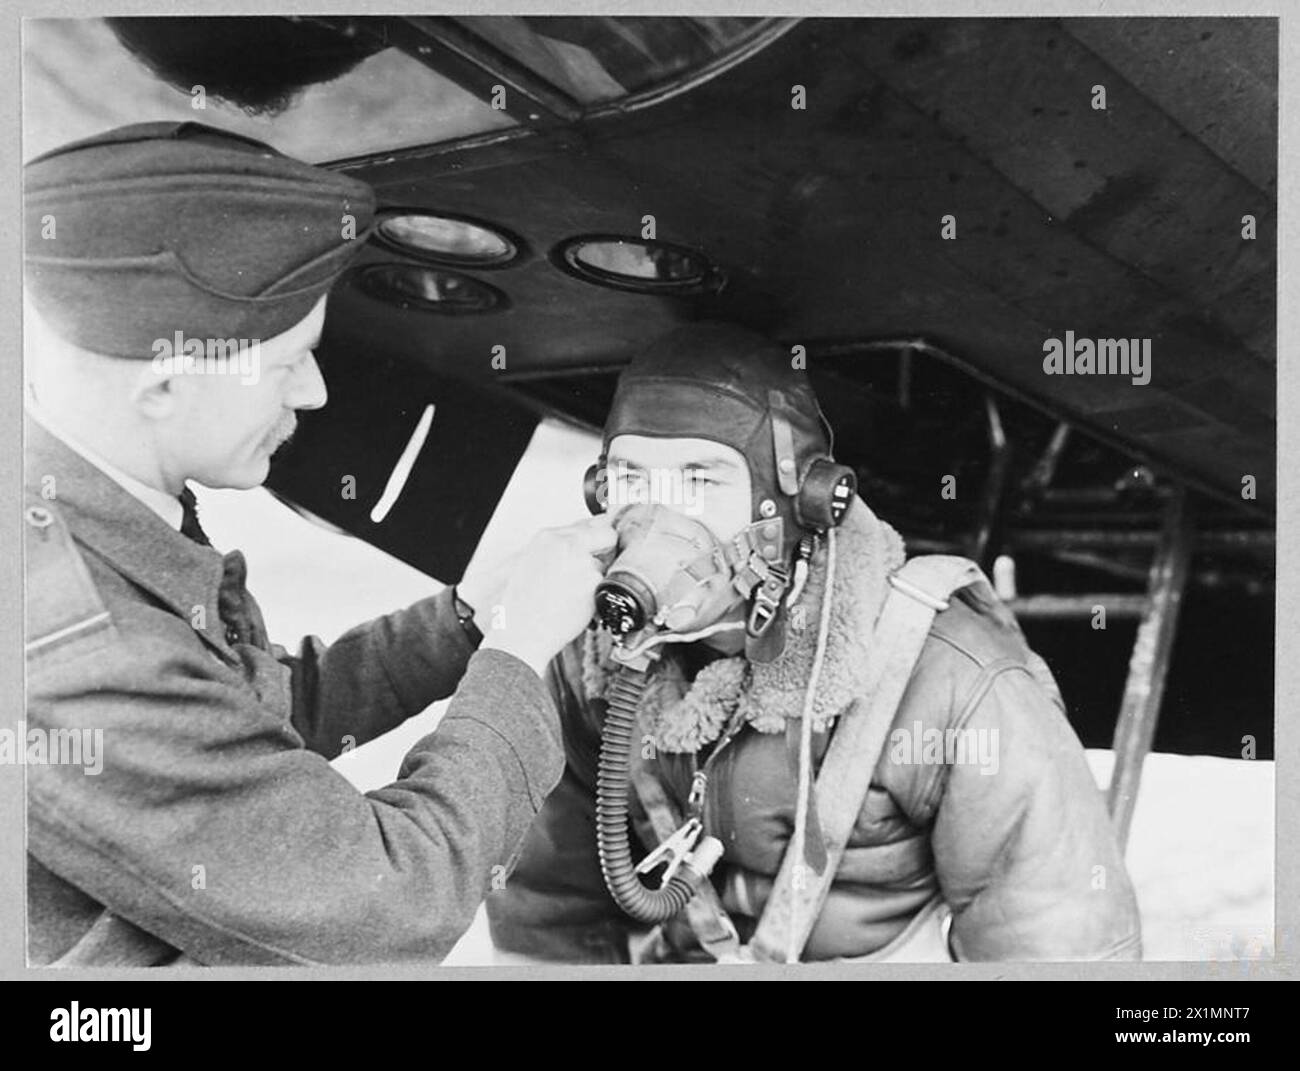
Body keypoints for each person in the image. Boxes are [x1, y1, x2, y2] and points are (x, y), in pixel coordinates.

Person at [22, 121, 614, 966]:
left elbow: (229, 724)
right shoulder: (72, 642)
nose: (317, 389)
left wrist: (469, 620)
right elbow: (392, 903)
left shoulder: (87, 514)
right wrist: (521, 655)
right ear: (164, 383)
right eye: (288, 360)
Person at [485, 321, 1142, 963]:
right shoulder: (589, 661)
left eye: (699, 481)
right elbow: (545, 918)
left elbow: (1058, 941)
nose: (661, 519)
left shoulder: (947, 675)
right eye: (631, 480)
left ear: (799, 504)